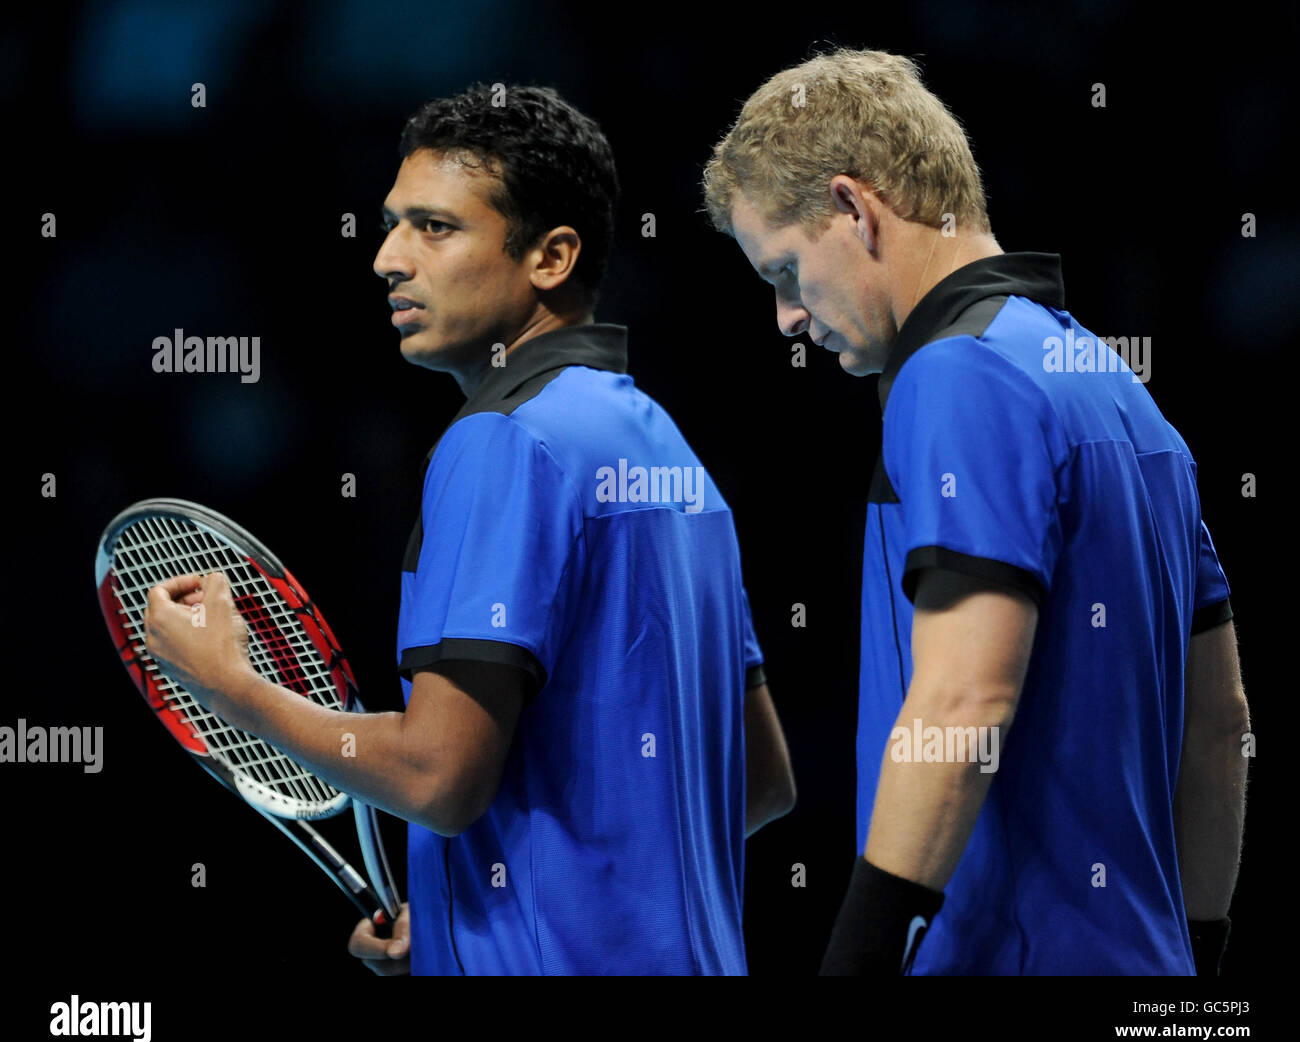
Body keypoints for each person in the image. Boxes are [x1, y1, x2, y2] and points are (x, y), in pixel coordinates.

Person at [143, 83, 795, 975]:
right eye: (390, 223)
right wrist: (475, 905)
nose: (386, 258)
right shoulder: (670, 453)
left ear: (552, 256)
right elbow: (759, 778)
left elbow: (437, 779)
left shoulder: (502, 441)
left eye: (435, 228)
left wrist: (231, 688)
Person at [701, 47, 1249, 975]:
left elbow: (963, 698)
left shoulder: (953, 375)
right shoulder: (1119, 391)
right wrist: (1186, 972)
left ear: (852, 206)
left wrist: (860, 960)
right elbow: (1221, 721)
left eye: (785, 273)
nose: (788, 319)